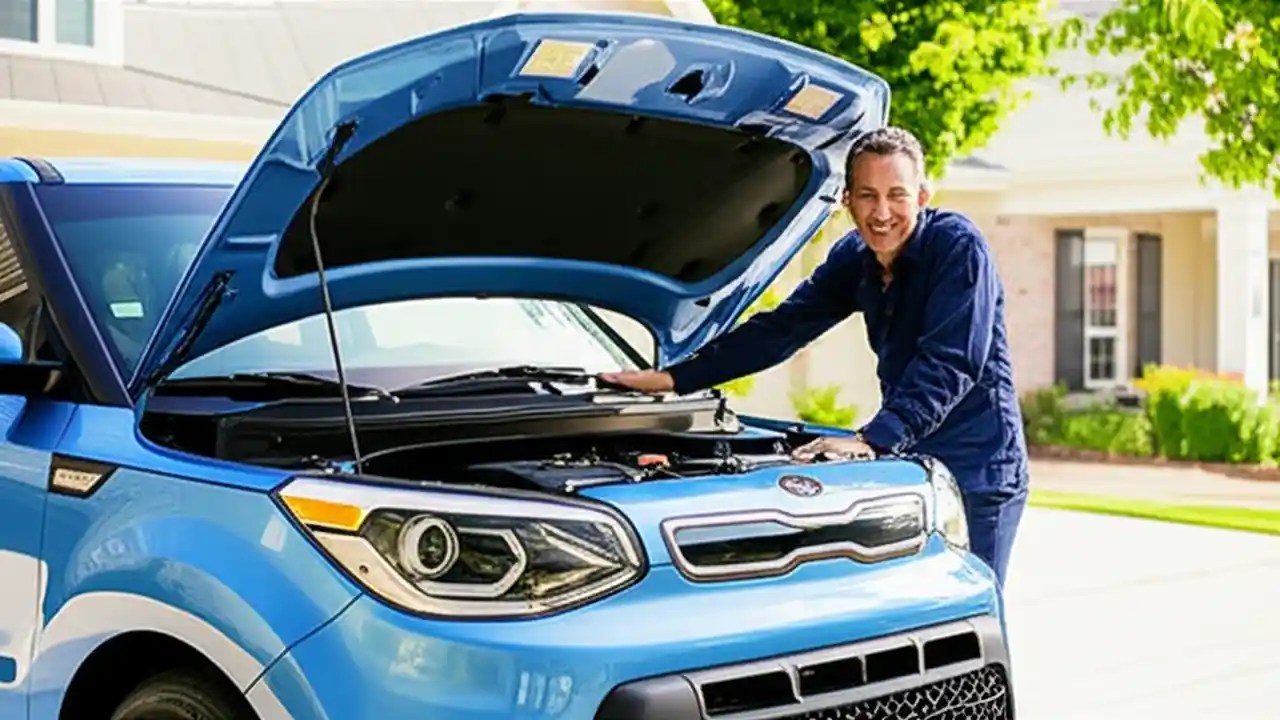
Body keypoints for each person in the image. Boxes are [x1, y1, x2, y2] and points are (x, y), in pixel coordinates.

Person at [599, 126, 1029, 588]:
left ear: (923, 196)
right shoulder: (854, 258)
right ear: (847, 200)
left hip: (980, 469)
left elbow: (951, 362)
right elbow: (783, 328)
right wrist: (674, 379)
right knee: (913, 607)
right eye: (867, 196)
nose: (882, 213)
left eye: (896, 195)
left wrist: (875, 439)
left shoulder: (958, 248)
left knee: (971, 601)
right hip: (911, 464)